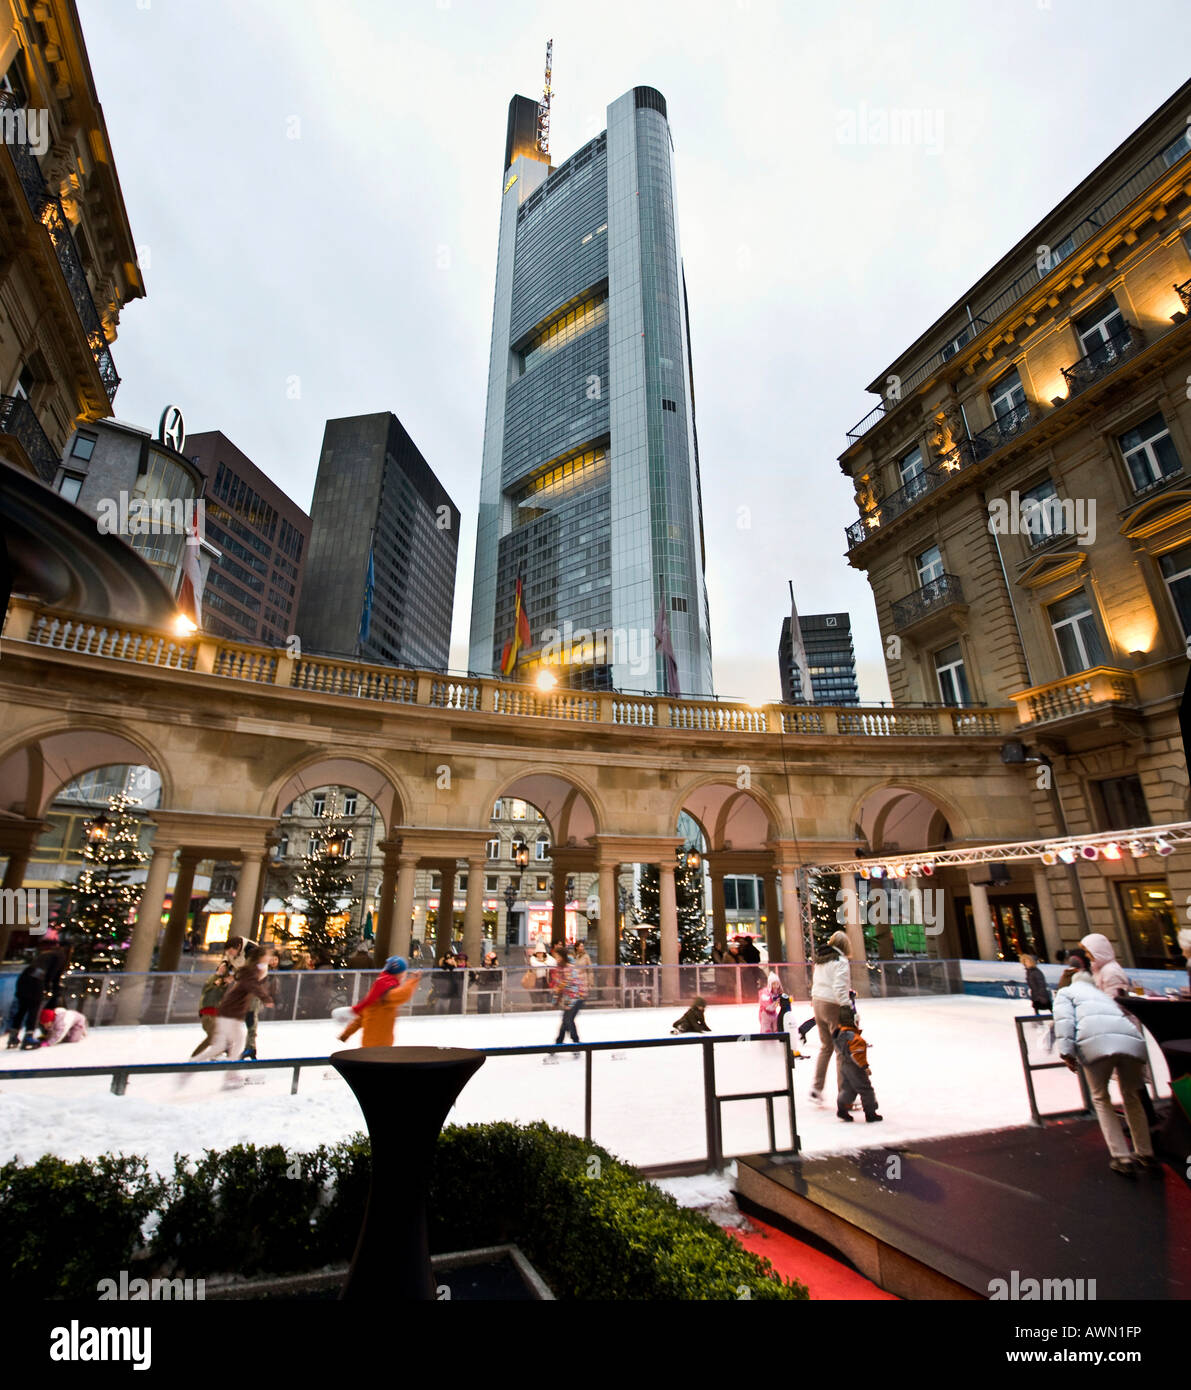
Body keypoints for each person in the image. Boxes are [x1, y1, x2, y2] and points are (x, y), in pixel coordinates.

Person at [1053, 962, 1158, 1175]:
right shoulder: (1101, 995)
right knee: (1132, 1097)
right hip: (1130, 1042)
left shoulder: (1066, 993)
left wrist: (1066, 1053)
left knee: (1101, 1098)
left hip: (1096, 1044)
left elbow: (1064, 1022)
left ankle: (1122, 1157)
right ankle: (1145, 1153)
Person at [187, 947, 276, 1089]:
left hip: (232, 1012)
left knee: (231, 1043)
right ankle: (193, 1066)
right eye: (267, 955)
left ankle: (227, 1074)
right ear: (260, 957)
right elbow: (252, 985)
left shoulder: (254, 969)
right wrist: (266, 998)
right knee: (223, 1045)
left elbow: (256, 979)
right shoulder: (250, 971)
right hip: (230, 1012)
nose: (270, 957)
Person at [338, 956, 421, 1046]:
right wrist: (413, 980)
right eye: (404, 972)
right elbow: (404, 994)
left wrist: (345, 1035)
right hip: (380, 1047)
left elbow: (360, 1019)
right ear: (399, 974)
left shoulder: (377, 990)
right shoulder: (386, 994)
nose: (404, 975)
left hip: (368, 1044)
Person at [809, 930, 852, 1103]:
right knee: (841, 1050)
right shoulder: (840, 962)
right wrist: (847, 1007)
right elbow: (840, 988)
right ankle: (844, 1094)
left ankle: (816, 1088)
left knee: (826, 1047)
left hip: (818, 1002)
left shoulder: (821, 961)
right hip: (832, 1005)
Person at [6, 942, 70, 1050]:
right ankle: (28, 1037)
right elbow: (53, 975)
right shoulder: (61, 956)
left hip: (24, 977)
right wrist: (51, 988)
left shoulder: (47, 954)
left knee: (22, 1008)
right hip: (36, 980)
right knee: (33, 1009)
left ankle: (13, 1036)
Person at [832, 1004, 881, 1123]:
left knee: (848, 1088)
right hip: (855, 1067)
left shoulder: (839, 1034)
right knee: (866, 1089)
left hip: (844, 1065)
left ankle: (842, 1108)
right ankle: (871, 1113)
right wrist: (864, 1067)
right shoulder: (854, 1038)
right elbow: (857, 1054)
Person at [547, 946, 587, 1056]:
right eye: (555, 956)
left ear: (562, 957)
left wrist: (557, 998)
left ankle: (574, 1044)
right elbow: (559, 987)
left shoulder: (568, 968)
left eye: (557, 956)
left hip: (577, 997)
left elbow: (568, 984)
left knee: (567, 1020)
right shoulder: (560, 969)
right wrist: (556, 999)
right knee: (566, 1021)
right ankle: (562, 1044)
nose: (556, 958)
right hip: (570, 998)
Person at [191, 956, 234, 1057]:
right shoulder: (213, 980)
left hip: (215, 1015)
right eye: (221, 967)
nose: (222, 969)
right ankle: (196, 1056)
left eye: (224, 968)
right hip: (207, 1014)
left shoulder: (223, 983)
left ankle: (217, 1054)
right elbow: (215, 985)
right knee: (213, 1037)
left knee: (221, 1036)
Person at [241, 946, 279, 1060]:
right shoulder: (256, 968)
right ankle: (249, 1047)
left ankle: (250, 1048)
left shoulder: (260, 967)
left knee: (251, 1022)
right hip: (249, 999)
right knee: (249, 1022)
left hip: (253, 1001)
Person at [1080, 933, 1131, 998]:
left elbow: (1114, 1000)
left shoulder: (1111, 971)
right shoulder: (1099, 968)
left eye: (1088, 952)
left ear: (1097, 951)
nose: (1086, 955)